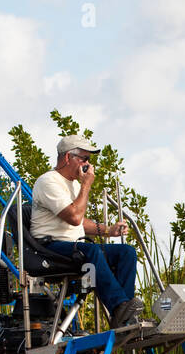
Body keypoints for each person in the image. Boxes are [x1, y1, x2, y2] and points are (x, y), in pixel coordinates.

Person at [29, 134, 144, 328]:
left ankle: (124, 315)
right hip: (49, 247)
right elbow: (74, 217)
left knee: (127, 252)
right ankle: (119, 307)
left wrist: (109, 230)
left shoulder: (73, 184)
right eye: (84, 159)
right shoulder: (48, 181)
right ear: (67, 158)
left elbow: (79, 220)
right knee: (91, 251)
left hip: (73, 245)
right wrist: (86, 185)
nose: (88, 165)